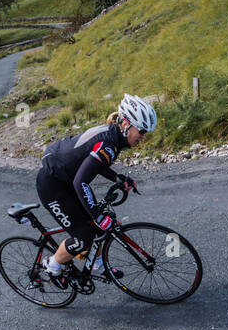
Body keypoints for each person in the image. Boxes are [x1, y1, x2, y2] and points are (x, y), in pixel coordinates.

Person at [36, 94, 156, 280]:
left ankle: (97, 265)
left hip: (67, 179)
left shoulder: (113, 138)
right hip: (53, 185)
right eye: (141, 130)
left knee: (99, 223)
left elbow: (95, 163)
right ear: (125, 124)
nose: (144, 136)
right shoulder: (108, 143)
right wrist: (97, 216)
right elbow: (81, 182)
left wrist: (117, 177)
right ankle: (52, 266)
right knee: (83, 237)